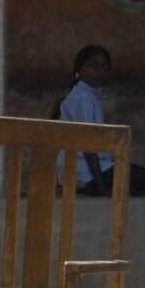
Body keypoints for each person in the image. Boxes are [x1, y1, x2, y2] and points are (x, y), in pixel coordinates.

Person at [59, 44, 115, 194]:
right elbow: (88, 142)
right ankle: (91, 187)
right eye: (93, 65)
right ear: (79, 70)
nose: (99, 70)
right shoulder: (83, 97)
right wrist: (100, 185)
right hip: (85, 171)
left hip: (95, 168)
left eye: (104, 66)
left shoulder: (90, 95)